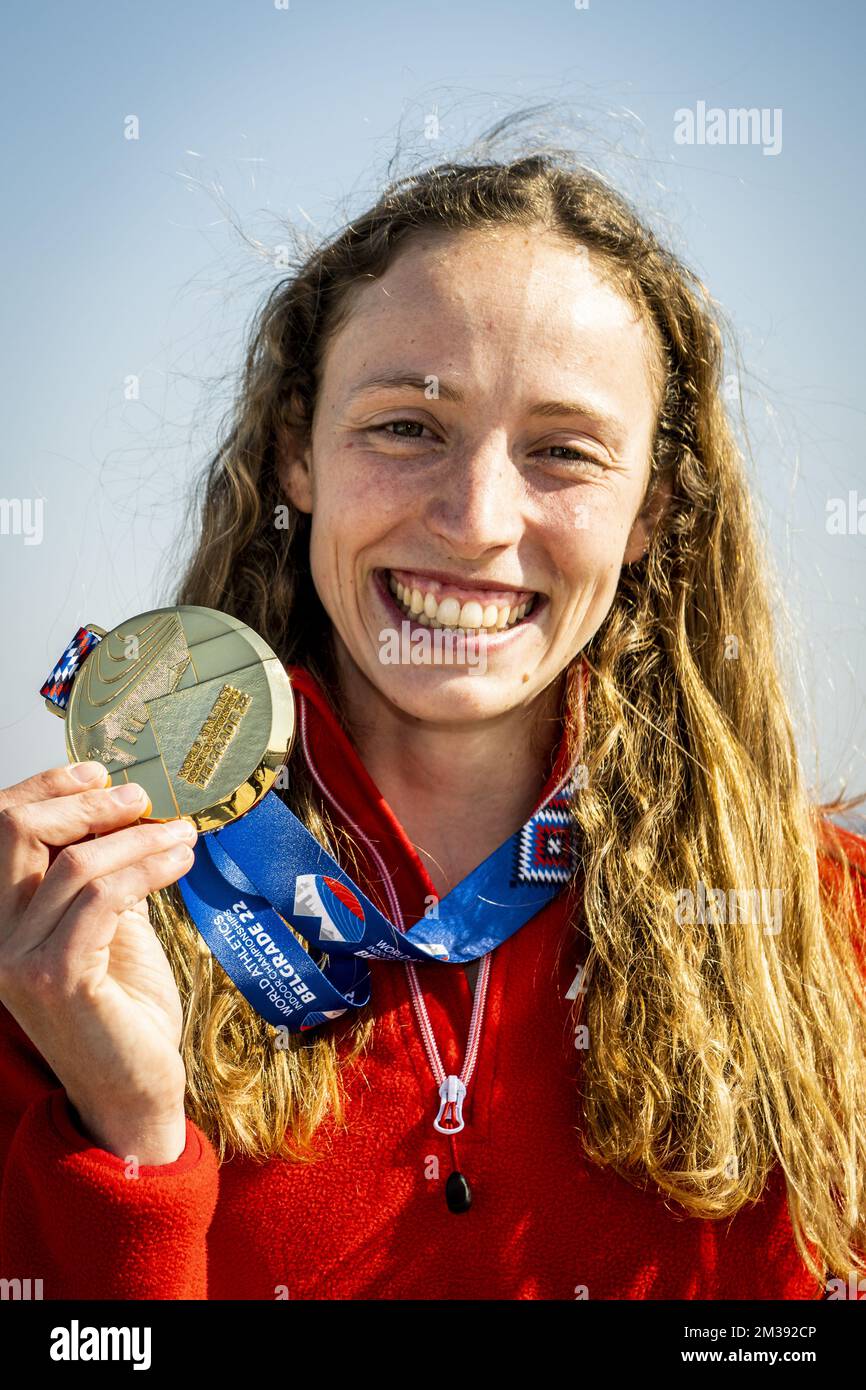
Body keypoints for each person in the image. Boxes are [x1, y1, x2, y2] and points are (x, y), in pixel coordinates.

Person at [1, 146, 865, 1301]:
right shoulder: (64, 947)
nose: (474, 522)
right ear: (294, 452)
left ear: (650, 510)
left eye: (562, 450)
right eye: (407, 426)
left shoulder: (823, 933)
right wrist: (127, 1139)